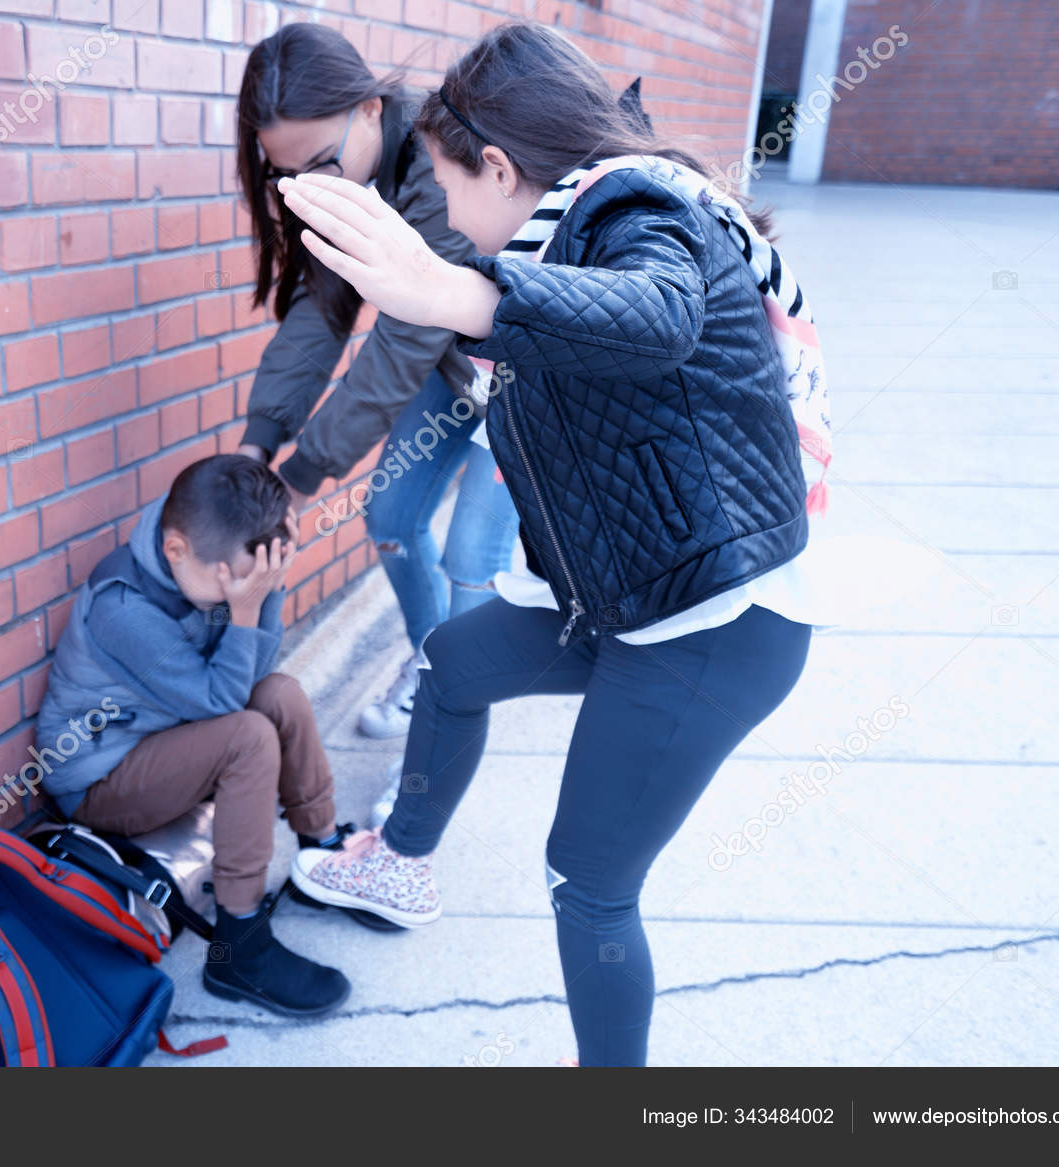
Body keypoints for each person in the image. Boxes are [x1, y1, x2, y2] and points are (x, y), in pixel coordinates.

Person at [277, 22, 831, 1064]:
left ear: (499, 167)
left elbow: (659, 314)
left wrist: (455, 295)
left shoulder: (633, 206)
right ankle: (398, 863)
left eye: (448, 192)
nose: (447, 221)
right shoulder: (555, 246)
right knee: (449, 661)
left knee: (588, 884)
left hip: (711, 625)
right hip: (620, 594)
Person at [234, 22, 519, 739]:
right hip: (453, 369)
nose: (305, 186)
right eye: (285, 174)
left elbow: (405, 339)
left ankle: (442, 742)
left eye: (321, 162)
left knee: (471, 560)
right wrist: (257, 443)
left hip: (522, 378)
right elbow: (319, 316)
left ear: (368, 109)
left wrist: (302, 474)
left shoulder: (438, 159)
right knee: (392, 519)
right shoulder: (341, 180)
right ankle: (434, 668)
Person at [34, 454, 364, 1018]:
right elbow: (223, 703)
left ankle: (322, 854)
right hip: (100, 780)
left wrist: (267, 590)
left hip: (165, 735)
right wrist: (249, 606)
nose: (242, 590)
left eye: (254, 576)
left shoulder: (203, 567)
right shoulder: (123, 609)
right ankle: (239, 944)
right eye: (234, 582)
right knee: (248, 737)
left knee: (280, 693)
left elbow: (255, 676)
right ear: (176, 550)